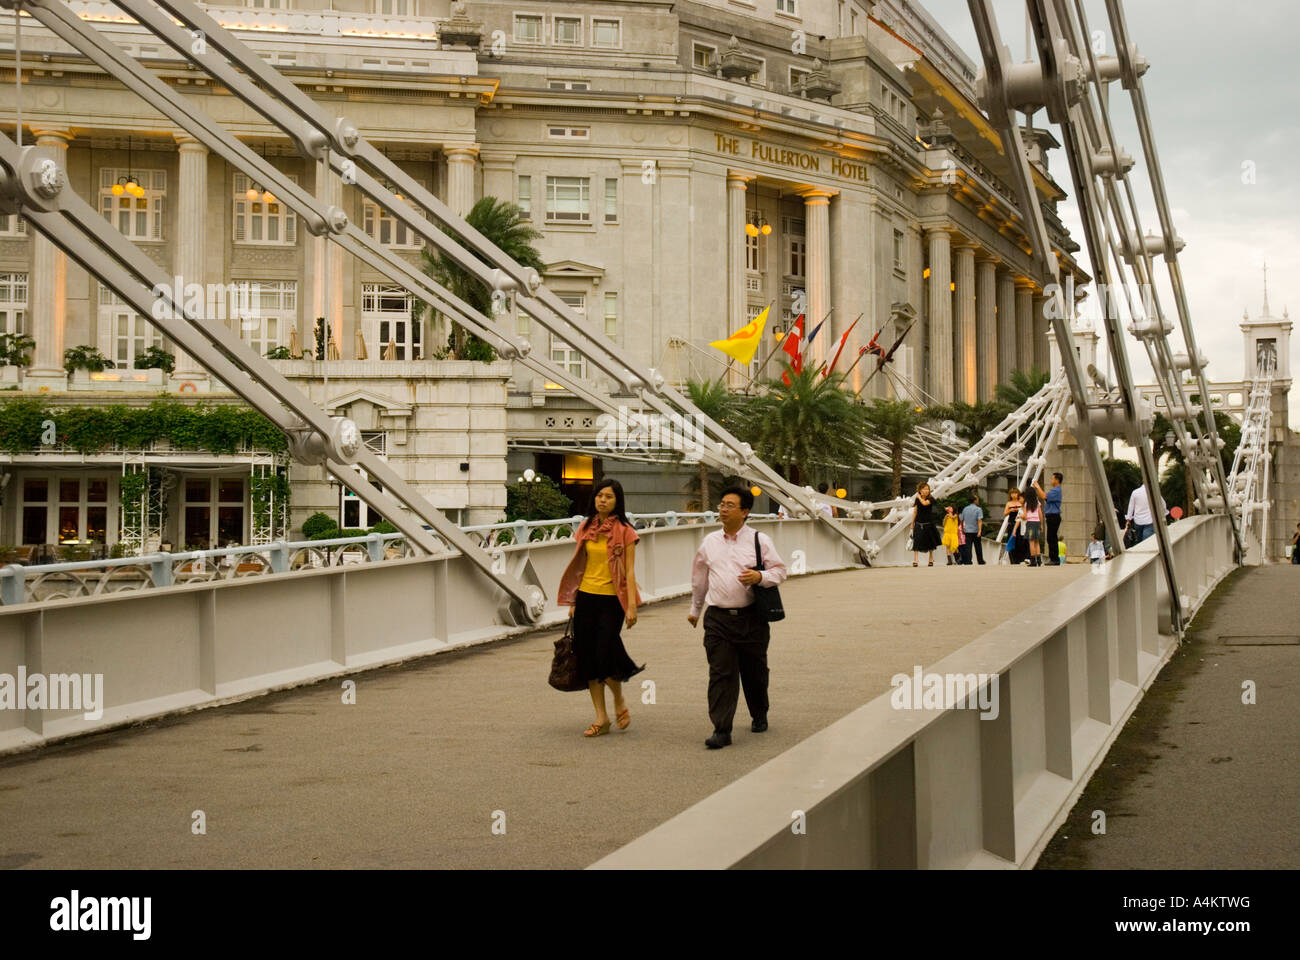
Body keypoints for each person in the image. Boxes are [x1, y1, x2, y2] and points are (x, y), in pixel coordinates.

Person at [687, 486, 788, 750]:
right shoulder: (709, 542)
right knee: (721, 673)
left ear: (744, 512)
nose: (723, 509)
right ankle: (721, 729)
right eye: (722, 504)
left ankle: (759, 713)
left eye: (730, 505)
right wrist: (695, 610)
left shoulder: (759, 540)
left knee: (754, 673)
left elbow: (780, 571)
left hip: (752, 618)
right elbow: (699, 579)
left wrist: (760, 577)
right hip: (718, 619)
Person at [556, 478, 644, 738]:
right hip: (586, 598)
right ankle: (601, 717)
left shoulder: (626, 531)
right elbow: (580, 566)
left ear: (617, 502)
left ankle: (618, 699)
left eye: (609, 496)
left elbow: (628, 569)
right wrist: (573, 602)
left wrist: (631, 607)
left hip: (611, 600)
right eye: (599, 495)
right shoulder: (585, 527)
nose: (602, 500)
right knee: (587, 658)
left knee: (604, 653)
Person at [1034, 472, 1064, 566]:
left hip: (1053, 516)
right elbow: (1044, 497)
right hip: (1052, 516)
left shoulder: (1056, 490)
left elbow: (1044, 496)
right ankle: (1053, 558)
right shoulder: (1055, 490)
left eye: (1052, 479)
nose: (1051, 480)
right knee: (1051, 537)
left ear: (1057, 480)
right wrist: (1037, 488)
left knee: (1052, 538)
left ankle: (1054, 559)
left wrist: (1037, 486)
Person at [910, 481, 942, 567]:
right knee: (916, 541)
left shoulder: (931, 499)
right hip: (918, 523)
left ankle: (931, 559)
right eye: (924, 489)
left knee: (930, 542)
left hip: (928, 523)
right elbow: (915, 511)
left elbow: (924, 503)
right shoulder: (917, 499)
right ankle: (915, 560)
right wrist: (912, 523)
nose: (926, 490)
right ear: (920, 490)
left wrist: (919, 497)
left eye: (928, 489)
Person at [1018, 485, 1044, 567]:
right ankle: (1039, 560)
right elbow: (1040, 514)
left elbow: (1025, 516)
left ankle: (1033, 561)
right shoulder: (1037, 503)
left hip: (1030, 523)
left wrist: (1020, 516)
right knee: (1037, 542)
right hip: (1037, 522)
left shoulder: (1026, 504)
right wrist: (1041, 524)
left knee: (1031, 542)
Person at [960, 492, 985, 565]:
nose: (978, 500)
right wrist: (980, 530)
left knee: (968, 547)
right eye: (977, 499)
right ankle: (980, 561)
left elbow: (961, 520)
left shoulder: (965, 509)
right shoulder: (978, 509)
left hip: (967, 531)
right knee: (978, 547)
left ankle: (968, 561)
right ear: (975, 500)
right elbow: (979, 521)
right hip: (976, 531)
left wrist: (962, 529)